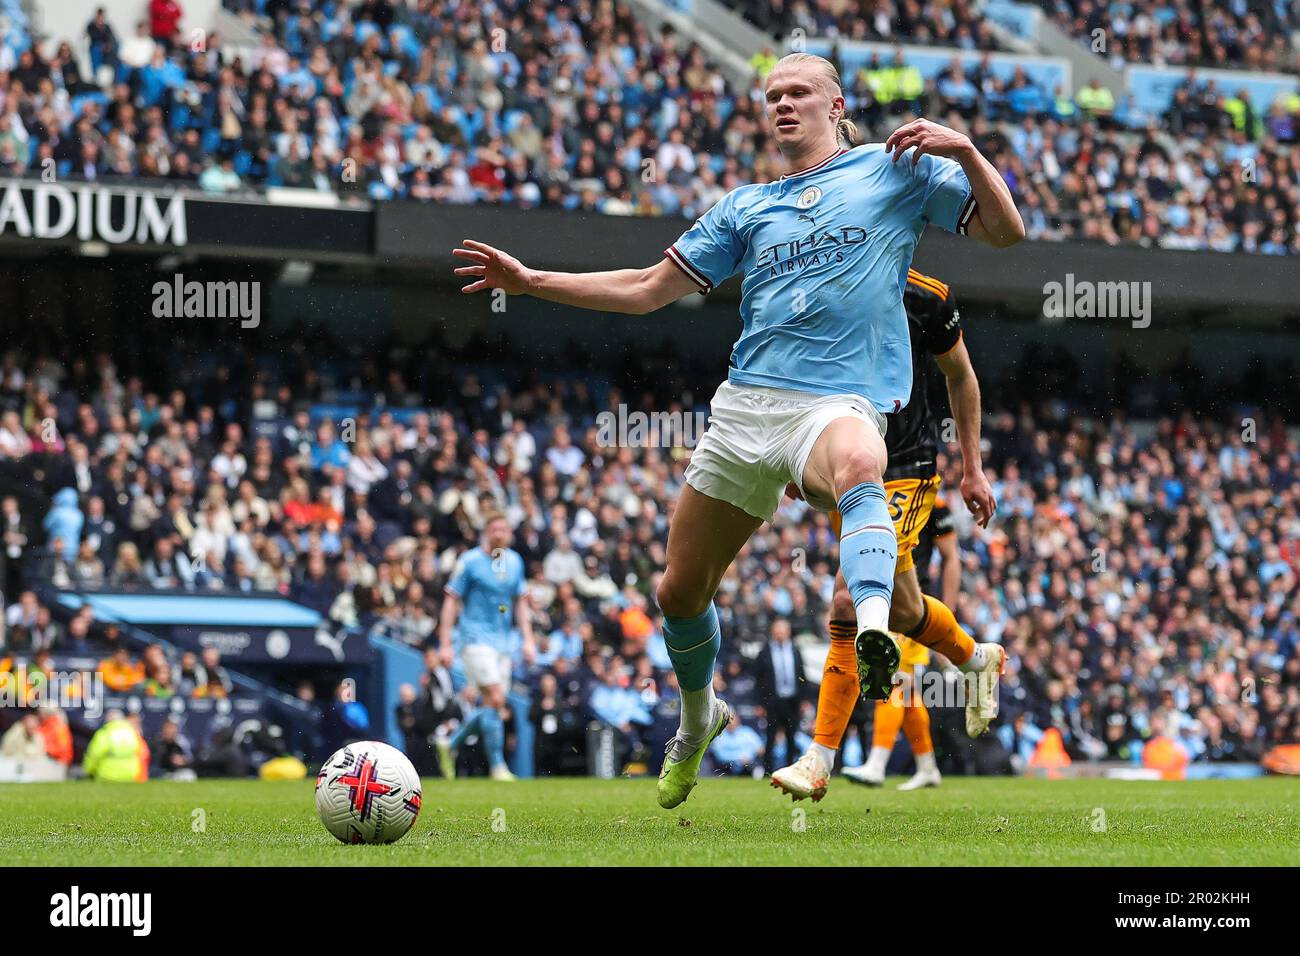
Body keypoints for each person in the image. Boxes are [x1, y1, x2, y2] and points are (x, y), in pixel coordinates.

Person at [453, 53, 1024, 809]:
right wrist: (533, 283)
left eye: (798, 93)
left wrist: (969, 152)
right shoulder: (744, 206)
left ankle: (876, 631)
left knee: (860, 459)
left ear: (837, 103)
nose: (782, 104)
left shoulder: (896, 171)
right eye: (772, 96)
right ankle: (699, 719)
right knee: (679, 593)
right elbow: (648, 289)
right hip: (749, 408)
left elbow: (1006, 233)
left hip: (839, 401)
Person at [773, 270, 1004, 801]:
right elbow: (799, 377)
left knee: (847, 601)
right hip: (837, 463)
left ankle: (819, 760)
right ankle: (976, 660)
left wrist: (973, 467)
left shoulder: (927, 296)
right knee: (901, 611)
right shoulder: (821, 279)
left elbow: (961, 376)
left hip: (902, 467)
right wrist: (791, 458)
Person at [844, 491, 960, 790]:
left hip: (911, 605)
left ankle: (877, 764)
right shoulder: (872, 489)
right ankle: (927, 766)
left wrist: (944, 616)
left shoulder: (935, 503)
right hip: (881, 601)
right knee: (905, 690)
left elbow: (950, 558)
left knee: (894, 681)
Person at [438, 512, 536, 781]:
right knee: (494, 696)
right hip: (474, 639)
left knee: (494, 705)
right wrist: (445, 642)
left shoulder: (514, 562)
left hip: (504, 643)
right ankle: (497, 766)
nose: (500, 534)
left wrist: (527, 640)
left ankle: (451, 744)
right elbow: (451, 600)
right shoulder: (469, 562)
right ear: (486, 532)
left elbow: (520, 603)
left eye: (504, 529)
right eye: (495, 529)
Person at [754, 619, 806, 773]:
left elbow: (802, 675)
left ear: (788, 631)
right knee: (770, 737)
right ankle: (768, 770)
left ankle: (790, 769)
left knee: (791, 736)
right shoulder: (765, 651)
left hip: (792, 701)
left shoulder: (795, 650)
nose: (780, 633)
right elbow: (758, 679)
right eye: (777, 630)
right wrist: (760, 703)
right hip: (772, 701)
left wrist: (803, 700)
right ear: (772, 631)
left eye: (783, 630)